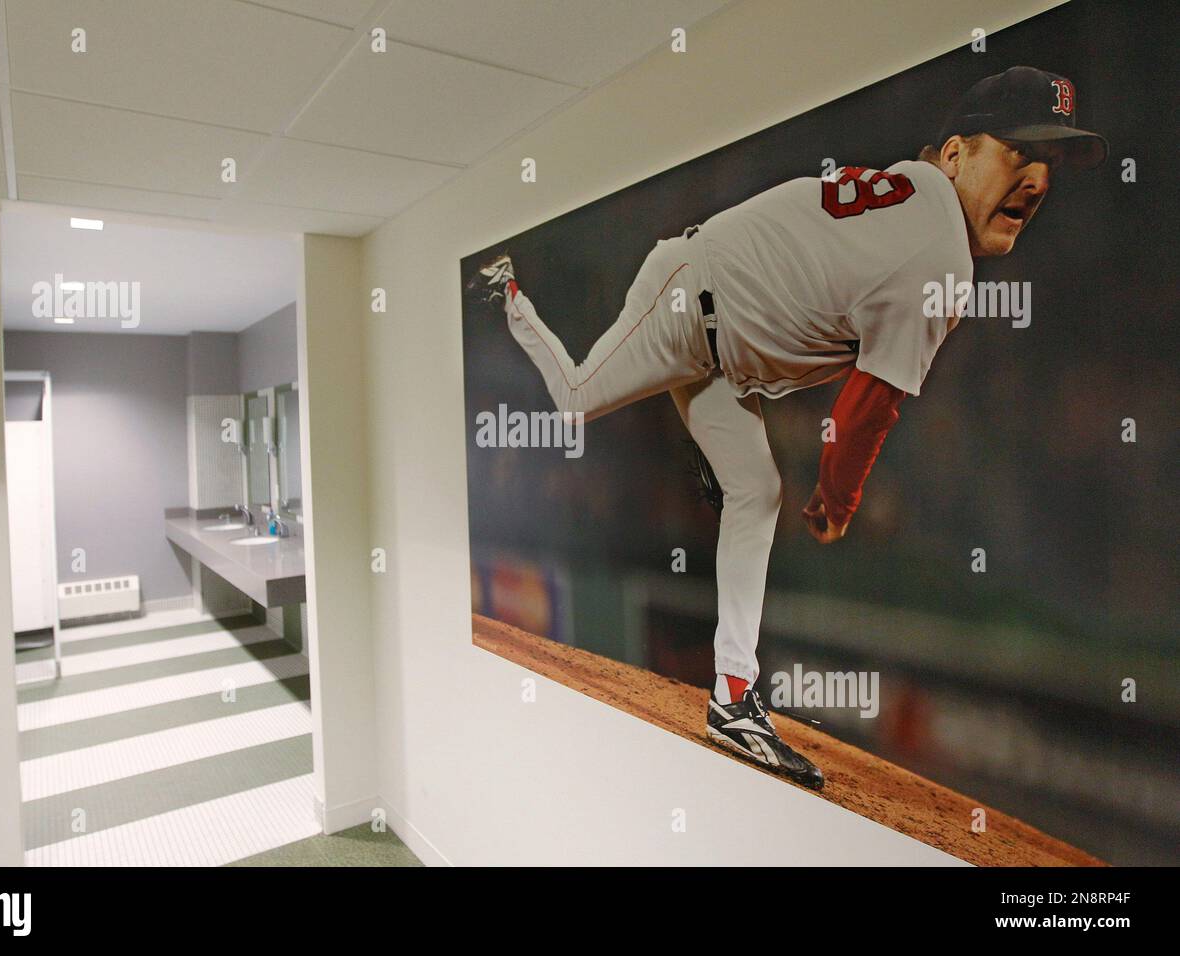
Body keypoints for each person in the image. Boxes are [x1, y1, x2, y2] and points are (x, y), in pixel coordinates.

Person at [467, 66, 1106, 789]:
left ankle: (734, 700)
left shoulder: (918, 198)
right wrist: (838, 501)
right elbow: (868, 408)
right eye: (1020, 151)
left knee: (756, 494)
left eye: (1052, 163)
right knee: (578, 400)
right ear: (955, 155)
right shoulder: (941, 252)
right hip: (687, 306)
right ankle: (506, 293)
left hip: (720, 348)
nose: (1038, 177)